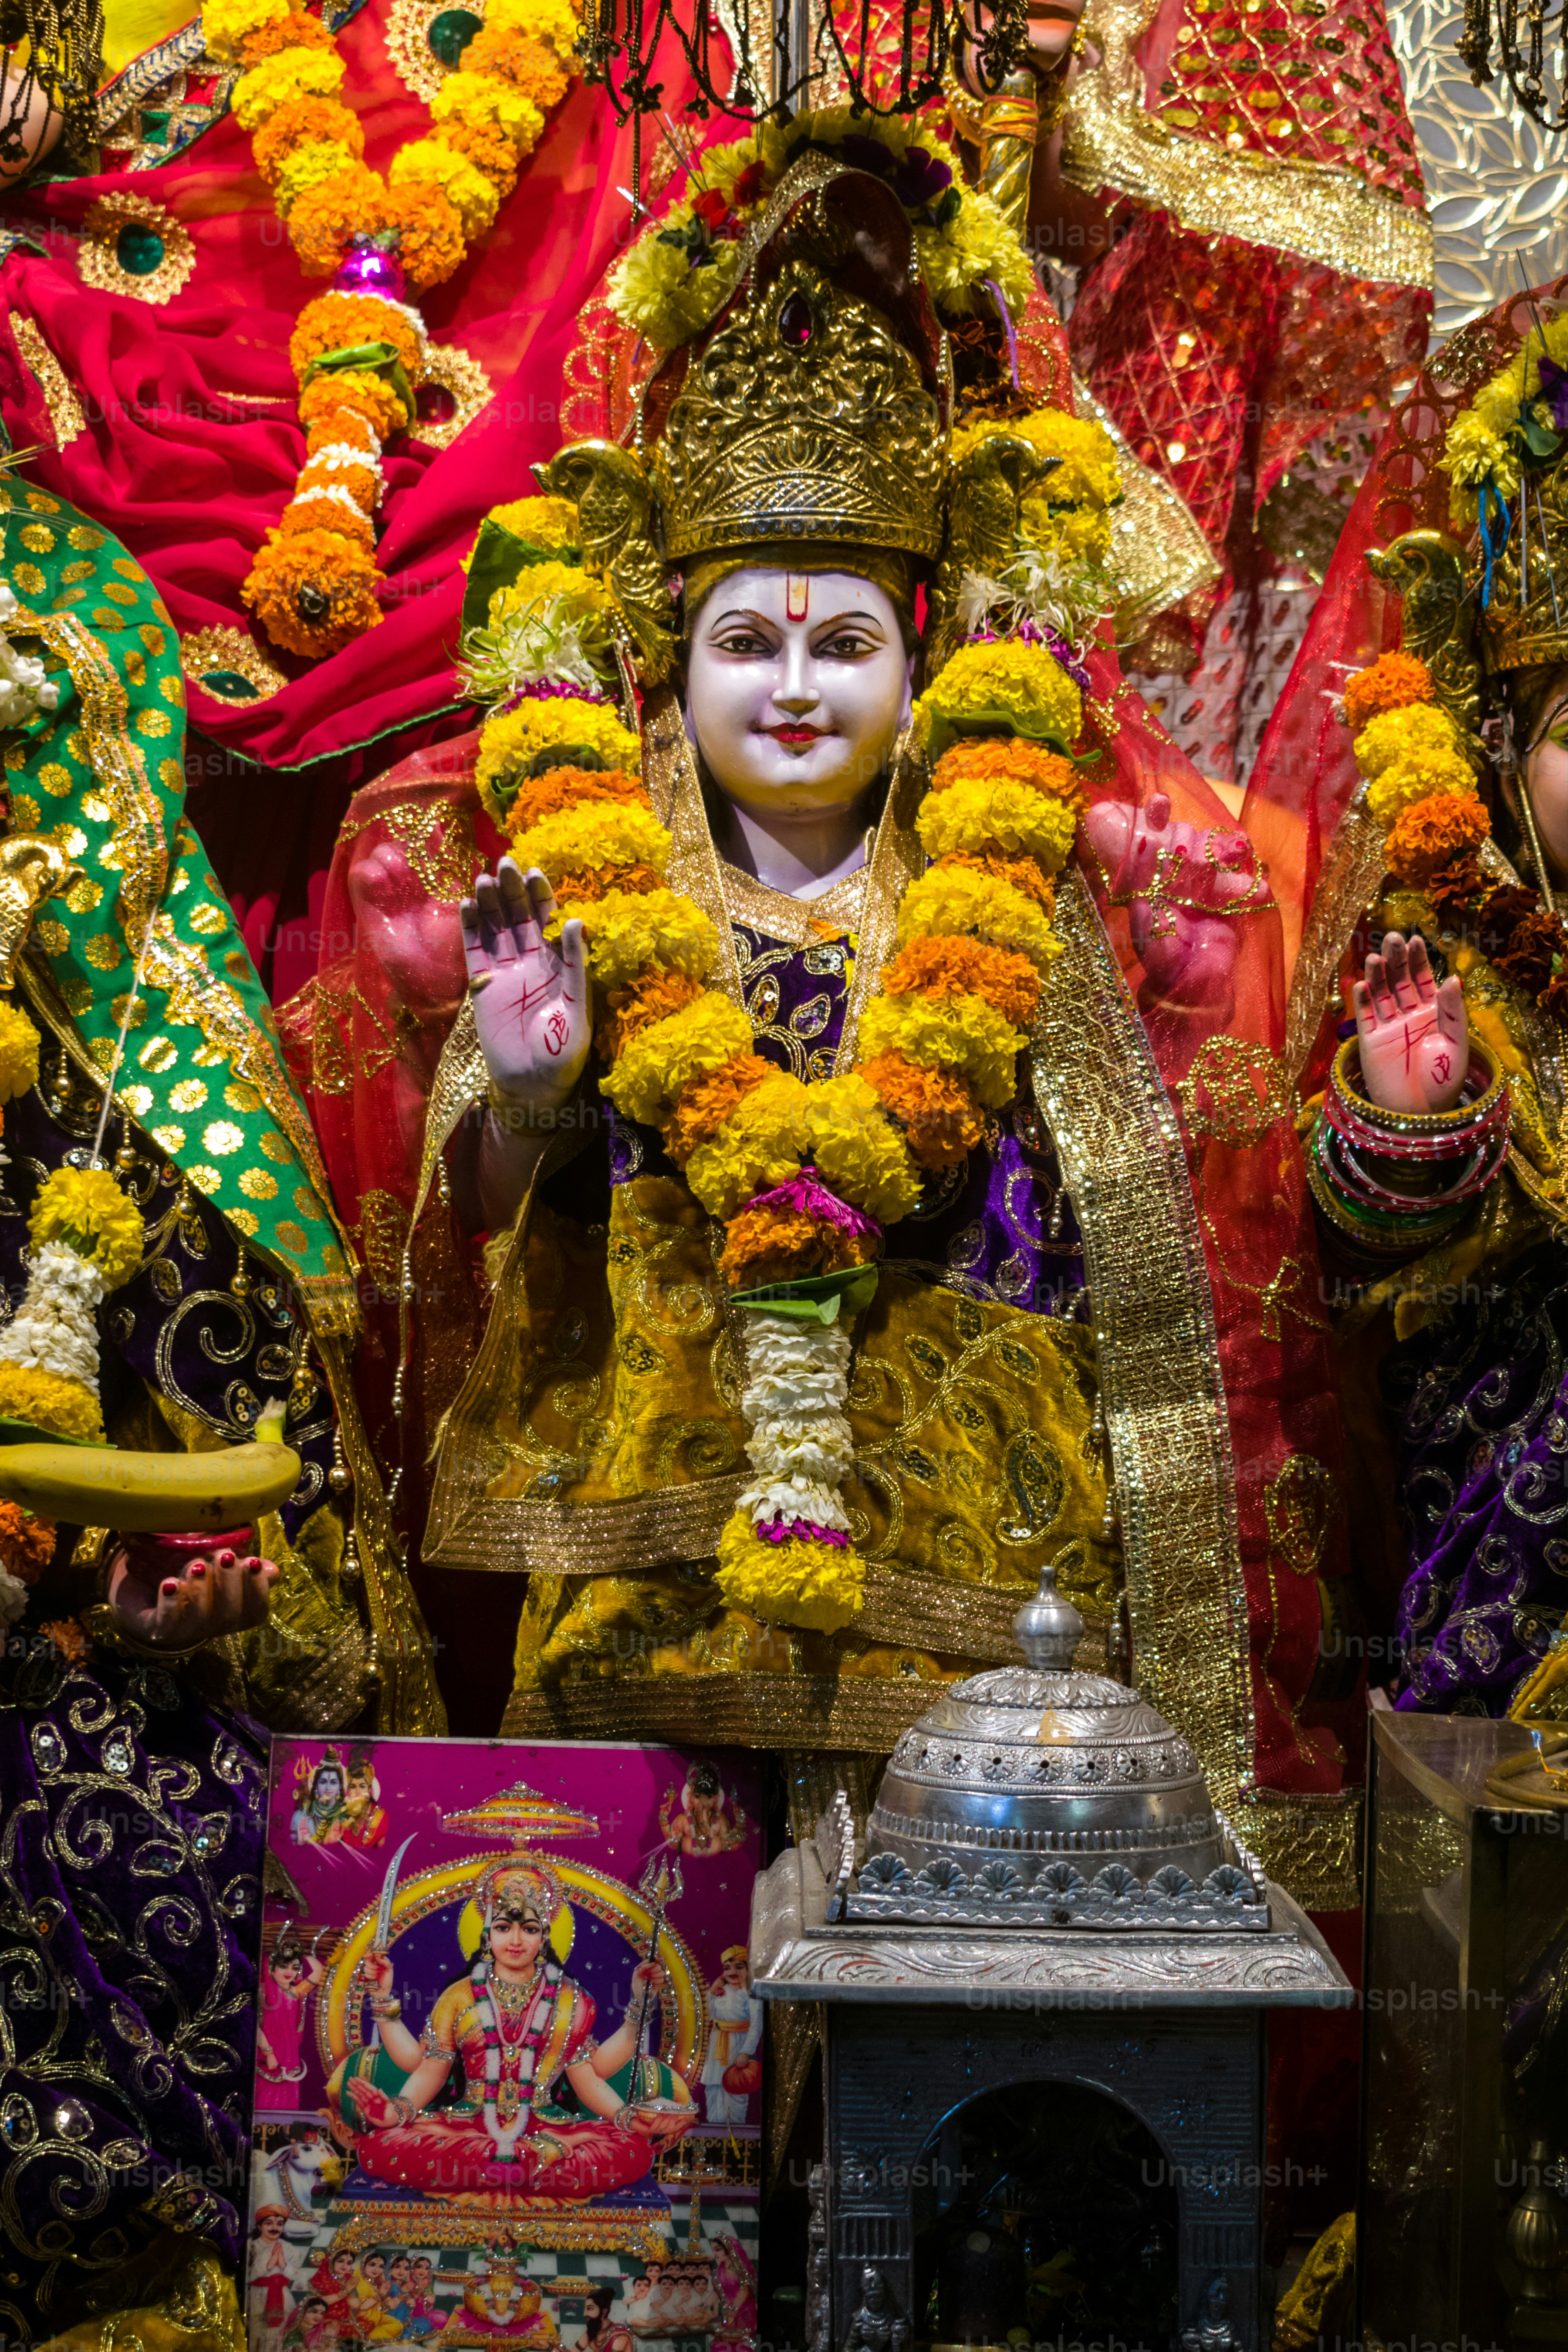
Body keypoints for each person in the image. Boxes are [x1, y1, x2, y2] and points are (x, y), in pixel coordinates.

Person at [317, 131, 1362, 1919]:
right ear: (670, 652)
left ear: (925, 658)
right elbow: (490, 1229)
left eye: (843, 644)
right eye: (749, 644)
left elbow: (1120, 1243)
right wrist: (535, 1091)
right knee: (636, 1982)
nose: (795, 689)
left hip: (964, 1576)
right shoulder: (595, 873)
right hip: (644, 1565)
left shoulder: (1018, 875)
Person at [1272, 277, 1568, 1722]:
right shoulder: (1450, 957)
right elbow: (1340, 1249)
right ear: (1507, 755)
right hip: (1513, 1552)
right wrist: (1414, 1117)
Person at [345, 1861, 692, 2197]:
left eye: (529, 1929)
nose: (516, 1940)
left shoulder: (571, 2000)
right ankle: (520, 2165)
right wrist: (395, 2111)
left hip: (545, 2128)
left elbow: (591, 2075)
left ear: (544, 1938)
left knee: (631, 2151)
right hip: (470, 2126)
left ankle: (518, 2162)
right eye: (503, 1928)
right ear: (486, 1935)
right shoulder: (460, 1996)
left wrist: (626, 2115)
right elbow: (426, 2069)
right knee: (381, 2146)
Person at [258, 1935, 329, 2109]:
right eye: (283, 1966)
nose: (290, 1971)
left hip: (290, 2063)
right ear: (271, 1967)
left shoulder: (296, 1992)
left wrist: (305, 1950)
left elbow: (320, 1973)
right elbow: (255, 2027)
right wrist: (269, 2054)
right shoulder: (263, 1991)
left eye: (295, 1967)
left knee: (286, 2108)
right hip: (267, 2060)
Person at [701, 1949, 762, 2128]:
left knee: (735, 2091)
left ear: (747, 1970)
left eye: (739, 1967)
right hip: (717, 2044)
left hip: (738, 2045)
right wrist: (711, 1993)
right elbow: (707, 2016)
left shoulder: (751, 1994)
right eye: (727, 1968)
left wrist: (746, 2052)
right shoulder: (722, 1991)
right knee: (713, 2088)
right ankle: (715, 2131)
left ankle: (733, 2135)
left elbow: (756, 2026)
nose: (732, 1972)